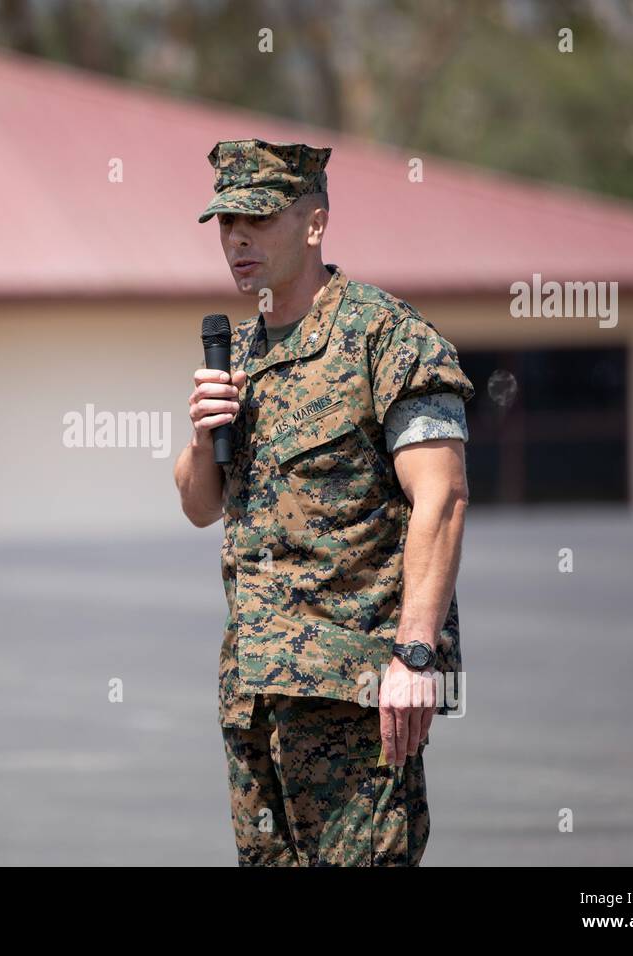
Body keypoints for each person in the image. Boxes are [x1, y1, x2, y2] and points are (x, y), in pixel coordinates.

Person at [172, 139, 475, 866]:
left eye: (257, 218)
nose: (236, 238)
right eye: (225, 223)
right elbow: (199, 506)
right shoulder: (238, 354)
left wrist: (414, 656)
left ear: (313, 224)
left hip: (355, 696)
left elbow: (442, 499)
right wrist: (199, 433)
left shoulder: (386, 338)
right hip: (255, 692)